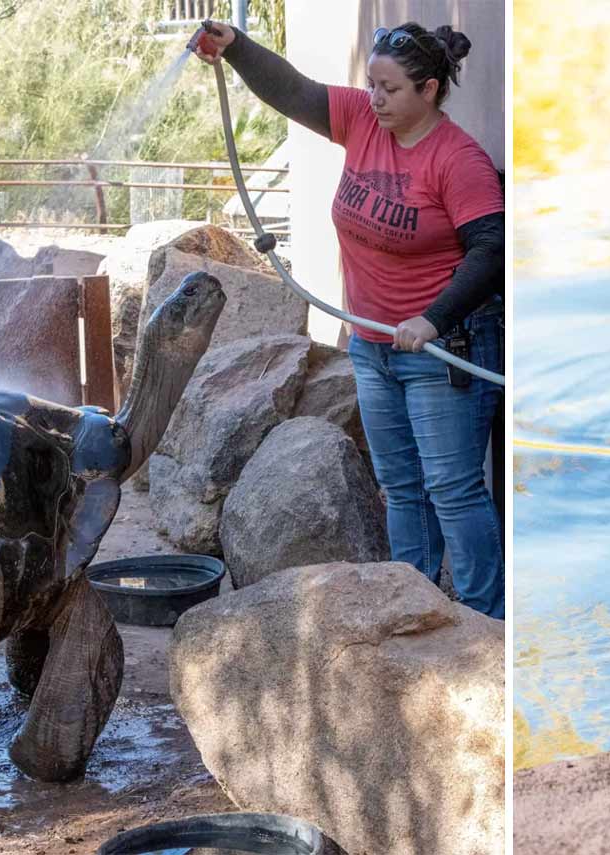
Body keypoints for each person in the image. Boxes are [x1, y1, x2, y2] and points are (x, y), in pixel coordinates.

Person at [195, 21, 506, 619]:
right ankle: (413, 607)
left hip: (442, 352)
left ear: (429, 90)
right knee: (401, 487)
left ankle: (481, 622)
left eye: (390, 89)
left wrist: (433, 319)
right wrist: (237, 47)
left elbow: (490, 250)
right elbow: (295, 91)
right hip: (373, 344)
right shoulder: (363, 119)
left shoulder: (457, 159)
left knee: (452, 490)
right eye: (371, 85)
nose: (376, 99)